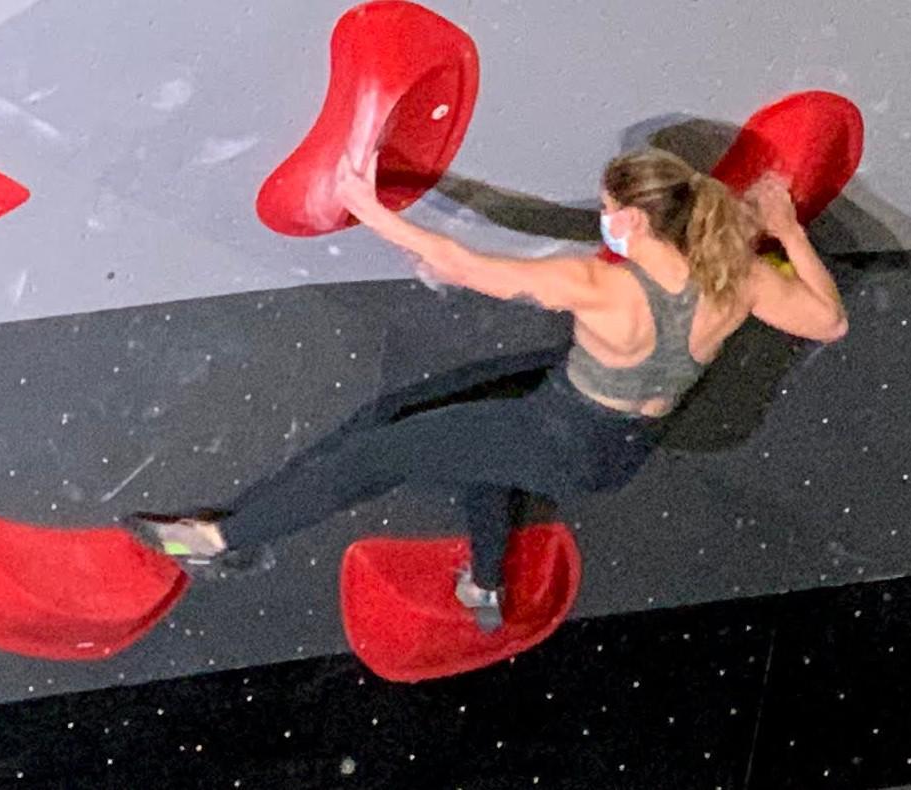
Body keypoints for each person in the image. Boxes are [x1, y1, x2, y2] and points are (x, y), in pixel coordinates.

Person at [125, 148, 848, 632]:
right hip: (620, 451)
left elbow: (462, 261)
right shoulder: (739, 279)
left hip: (559, 431)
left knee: (375, 457)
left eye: (605, 208)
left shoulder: (597, 285)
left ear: (629, 219)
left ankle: (219, 540)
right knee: (482, 450)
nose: (602, 219)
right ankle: (486, 590)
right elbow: (830, 321)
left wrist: (365, 203)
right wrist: (785, 231)